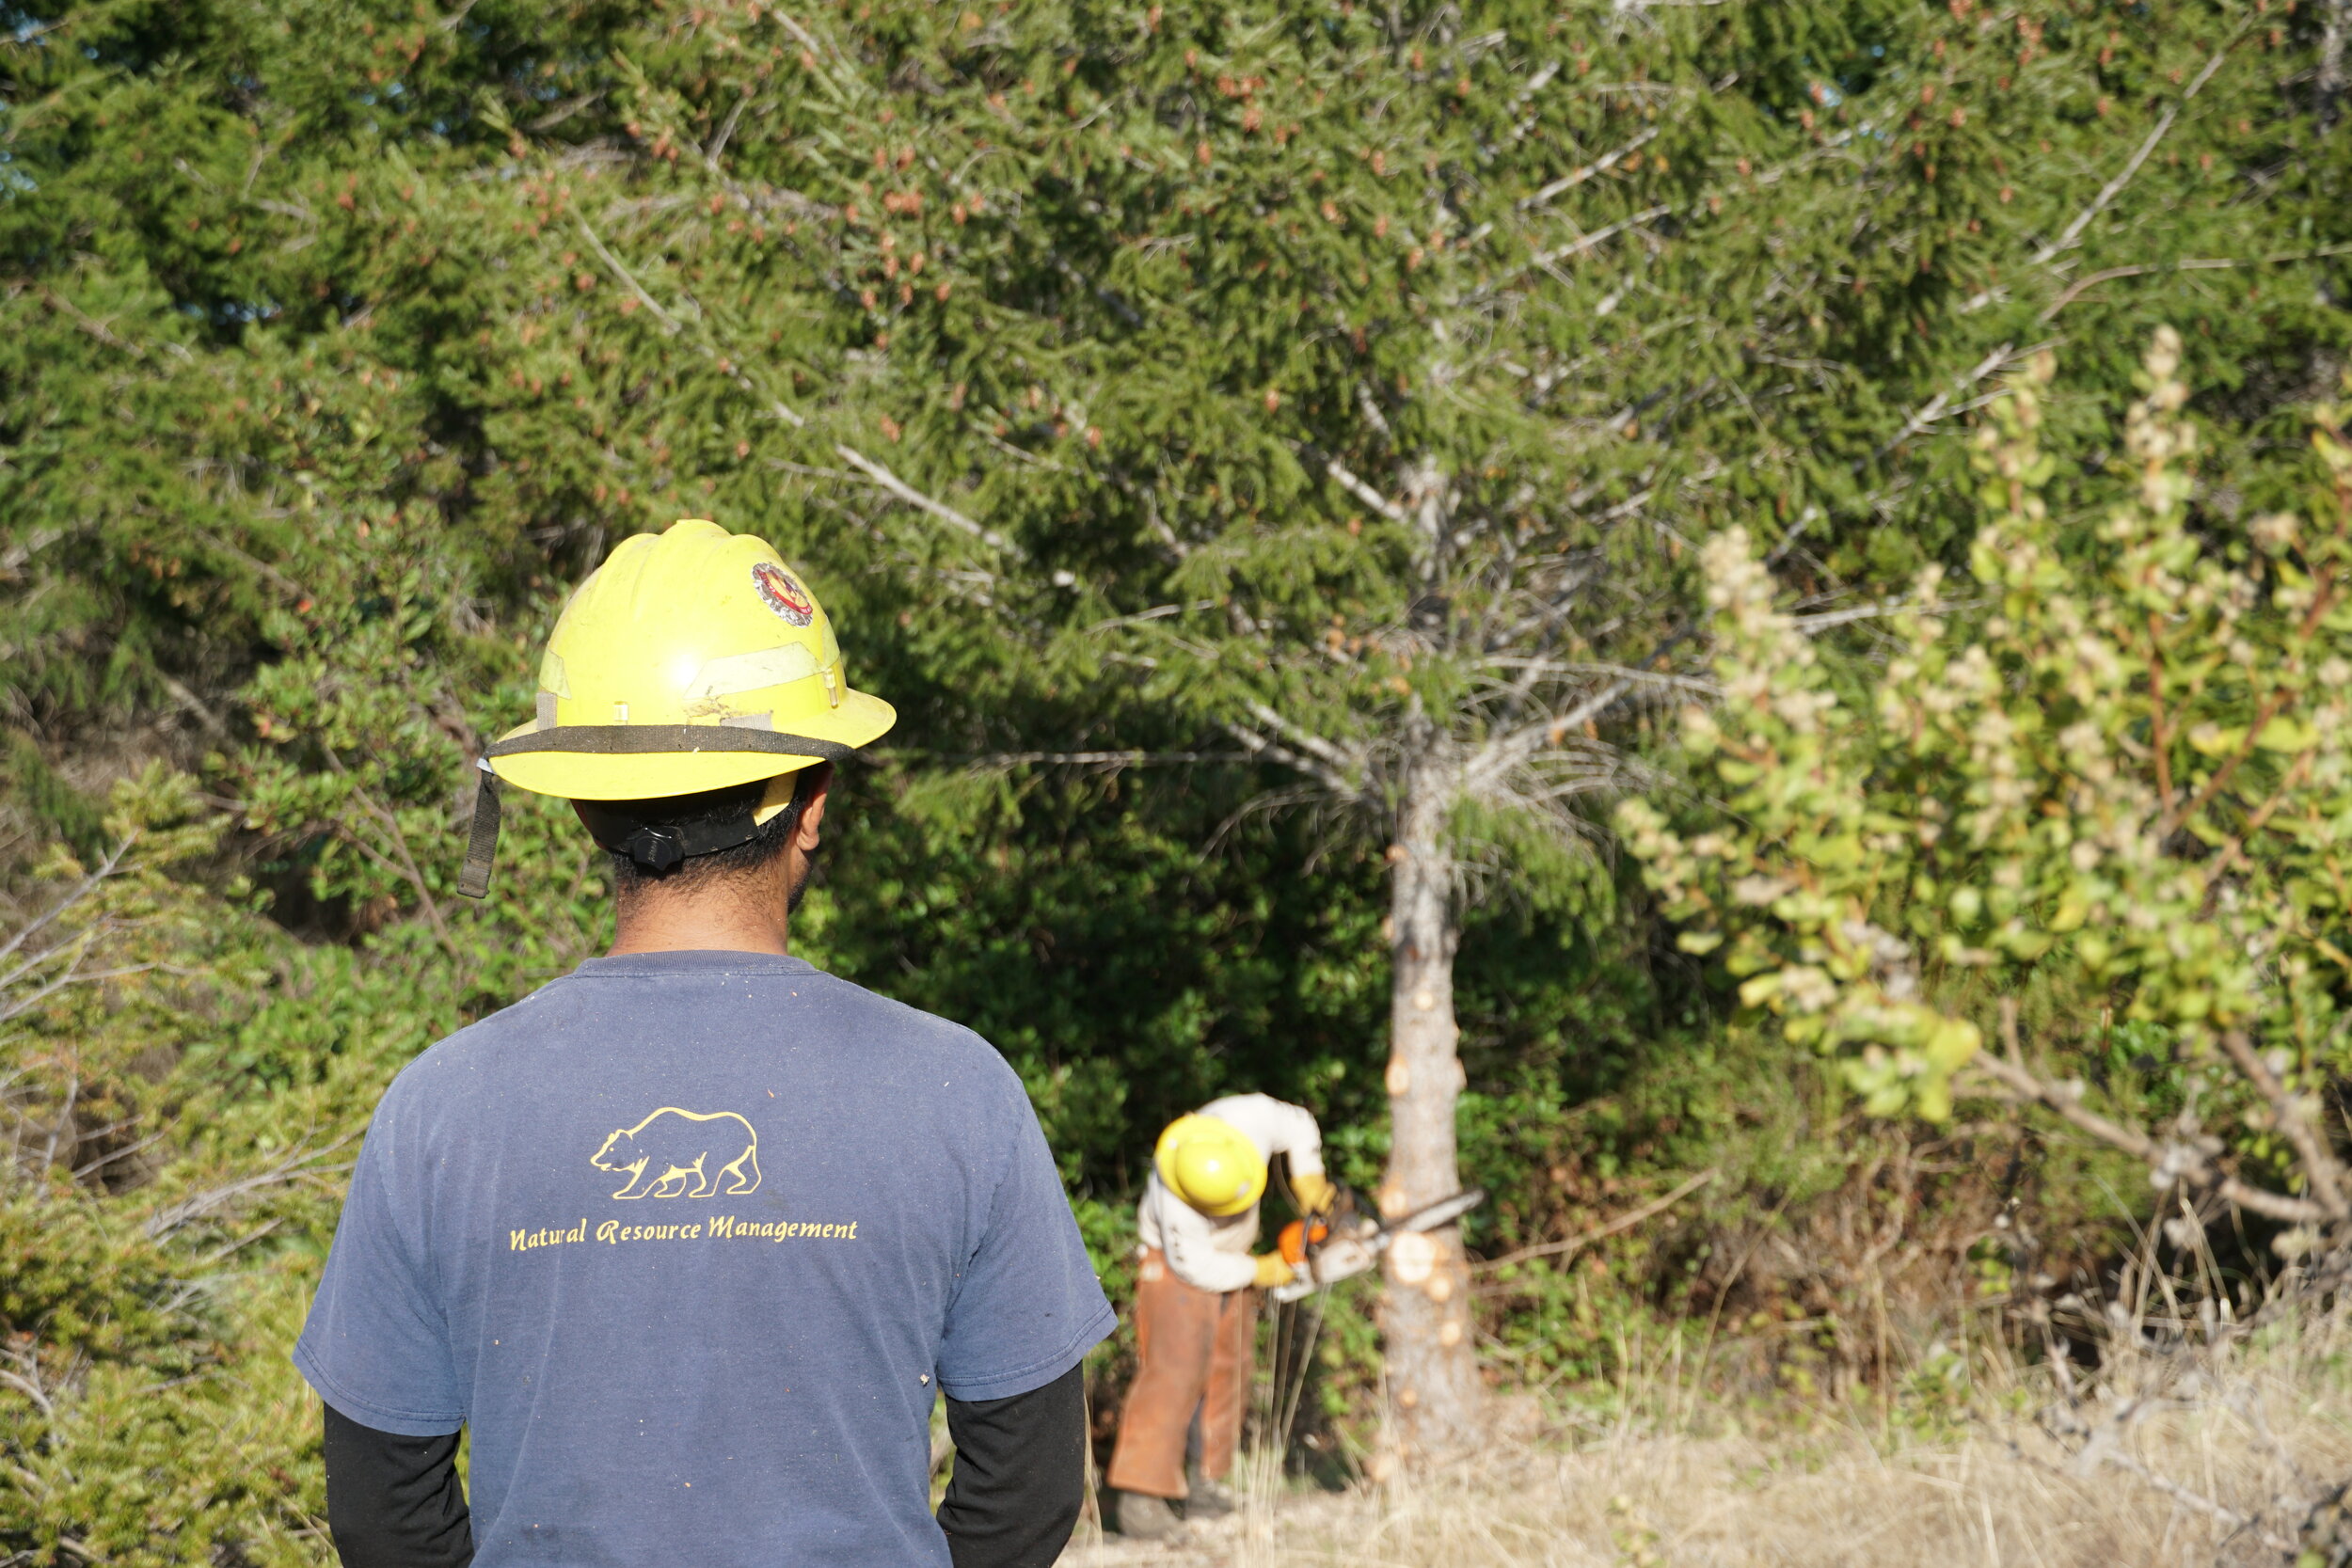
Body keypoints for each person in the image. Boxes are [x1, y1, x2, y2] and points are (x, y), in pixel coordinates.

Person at [294, 519, 1116, 1568]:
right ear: (810, 801)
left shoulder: (439, 1107)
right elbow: (1031, 1489)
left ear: (583, 802)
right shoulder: (958, 1089)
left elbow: (382, 1511)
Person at [1104, 1095, 1371, 1539]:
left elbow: (1301, 1124)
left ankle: (1206, 1485)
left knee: (1230, 1371)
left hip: (1234, 1258)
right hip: (1174, 1270)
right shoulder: (1172, 1199)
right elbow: (1193, 1264)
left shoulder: (1252, 1118)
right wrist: (1264, 1269)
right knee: (1174, 1373)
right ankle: (1140, 1500)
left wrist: (1310, 1179)